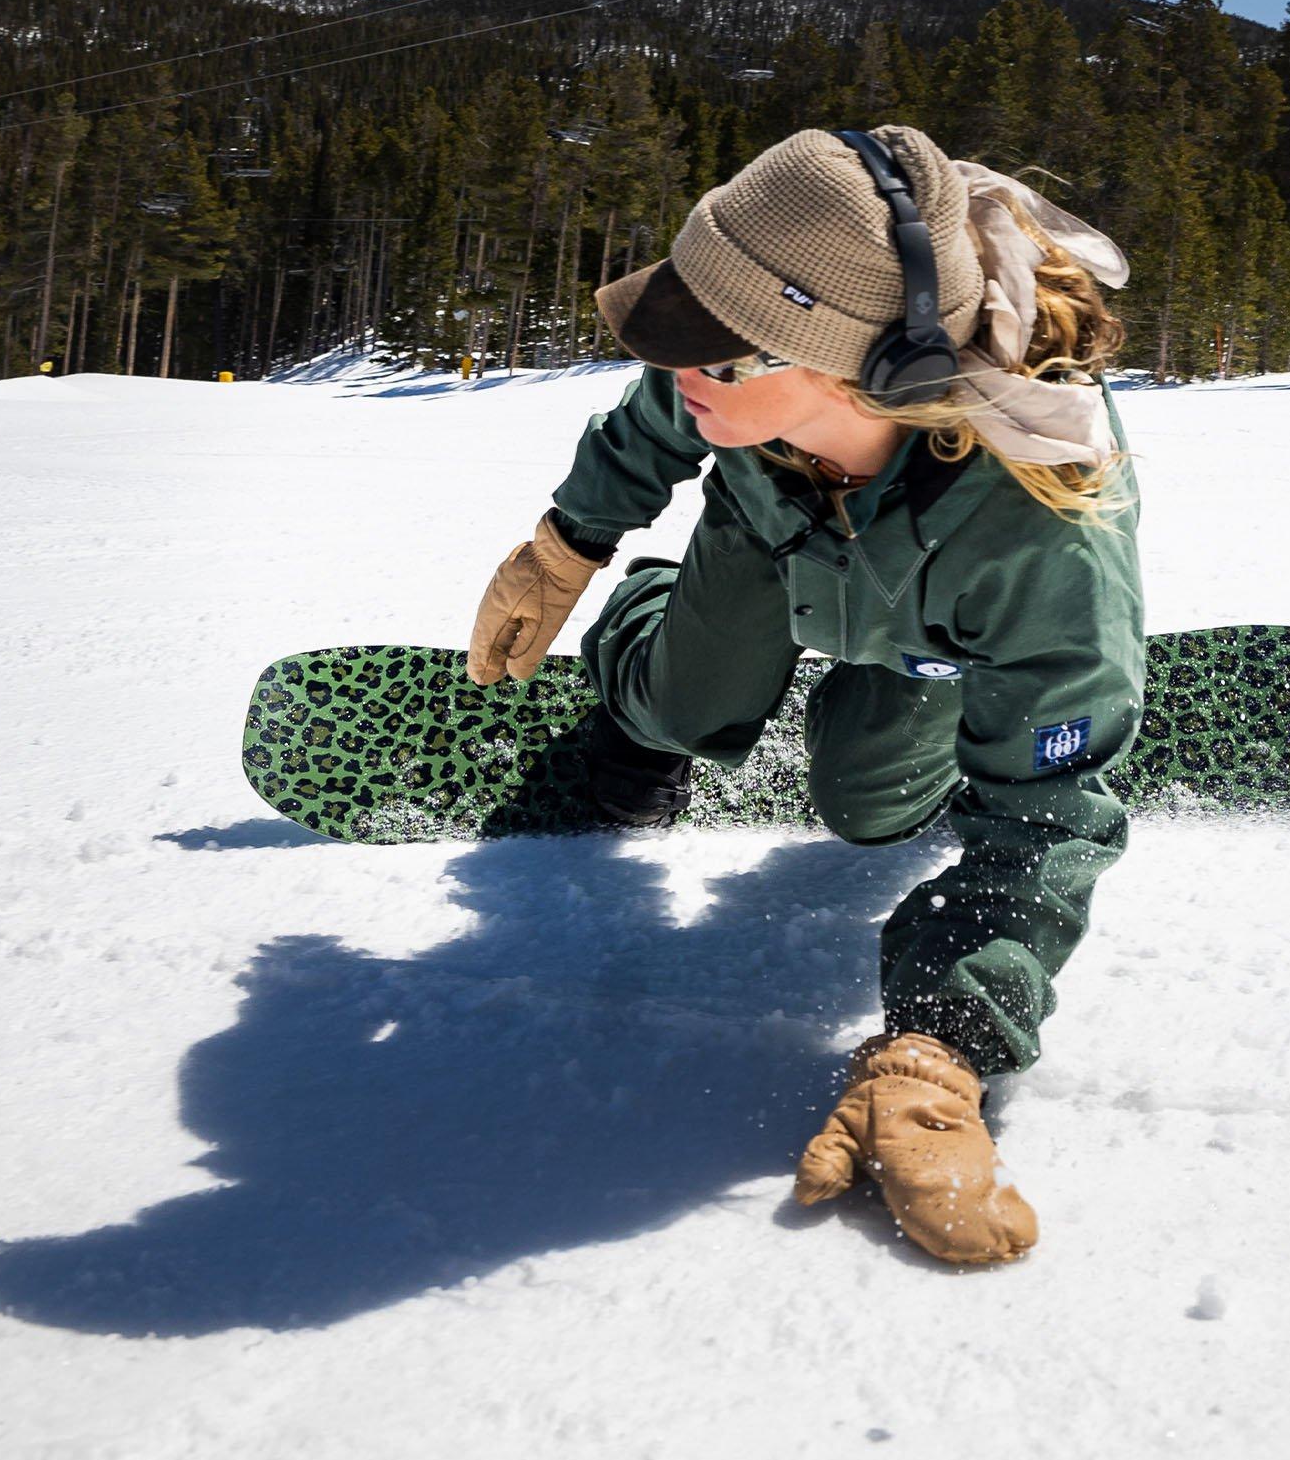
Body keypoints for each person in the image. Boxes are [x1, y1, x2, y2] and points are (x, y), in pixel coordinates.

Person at [466, 124, 1143, 1265]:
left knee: (869, 812)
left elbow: (1041, 832)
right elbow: (656, 415)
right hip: (762, 519)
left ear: (860, 368)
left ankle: (948, 705)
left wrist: (942, 1047)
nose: (684, 372)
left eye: (720, 355)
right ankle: (658, 641)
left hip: (926, 622)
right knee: (678, 709)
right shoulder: (738, 382)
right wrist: (568, 544)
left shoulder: (1042, 535)